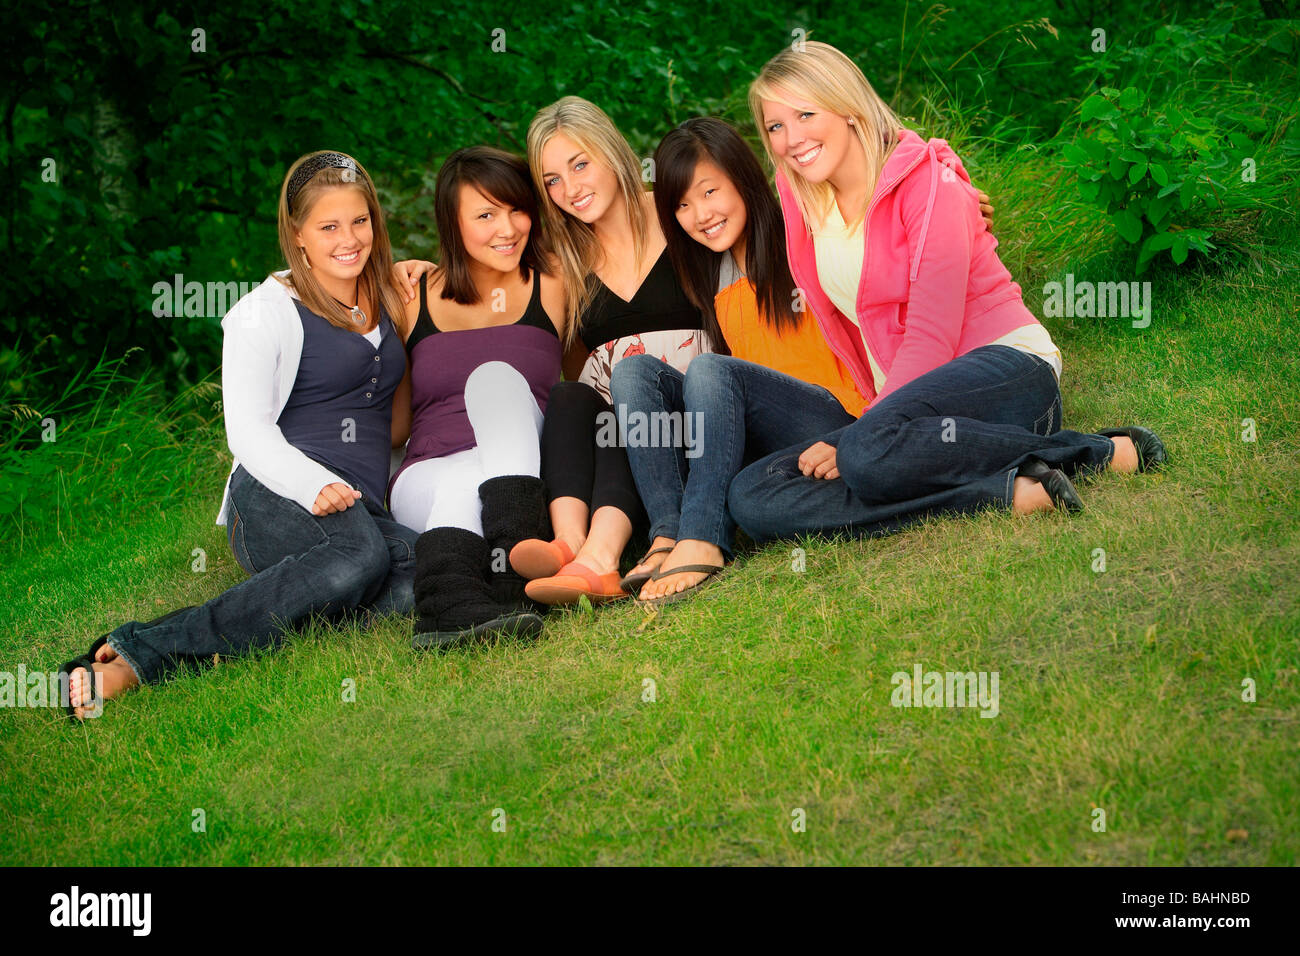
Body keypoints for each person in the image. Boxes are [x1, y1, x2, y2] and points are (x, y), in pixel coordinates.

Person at [724, 41, 1165, 544]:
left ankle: (1096, 452)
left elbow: (931, 338)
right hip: (905, 416)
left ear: (847, 107)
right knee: (752, 494)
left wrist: (853, 436)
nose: (791, 139)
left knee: (864, 453)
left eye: (805, 114)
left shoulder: (927, 183)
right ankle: (1001, 491)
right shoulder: (799, 196)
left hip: (1007, 372)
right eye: (775, 126)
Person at [60, 150, 418, 720]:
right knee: (360, 556)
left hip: (360, 504)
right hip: (275, 492)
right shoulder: (264, 312)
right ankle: (137, 653)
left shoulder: (389, 302)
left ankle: (248, 632)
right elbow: (246, 432)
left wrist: (412, 320)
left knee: (426, 576)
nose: (349, 238)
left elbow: (391, 423)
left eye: (360, 220)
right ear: (297, 234)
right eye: (328, 226)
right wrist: (310, 484)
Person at [508, 96, 724, 605]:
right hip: (621, 440)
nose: (571, 189)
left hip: (694, 418)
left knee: (629, 388)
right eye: (553, 180)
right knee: (569, 397)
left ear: (611, 150)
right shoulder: (564, 260)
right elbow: (487, 292)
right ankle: (576, 547)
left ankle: (601, 558)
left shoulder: (679, 214)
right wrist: (414, 274)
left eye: (580, 164)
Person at [389, 147, 565, 649]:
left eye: (515, 208)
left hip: (521, 468)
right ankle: (512, 581)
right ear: (451, 223)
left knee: (493, 380)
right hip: (425, 478)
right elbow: (398, 428)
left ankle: (448, 607)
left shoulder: (554, 282)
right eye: (485, 215)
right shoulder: (411, 297)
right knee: (465, 473)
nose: (506, 229)